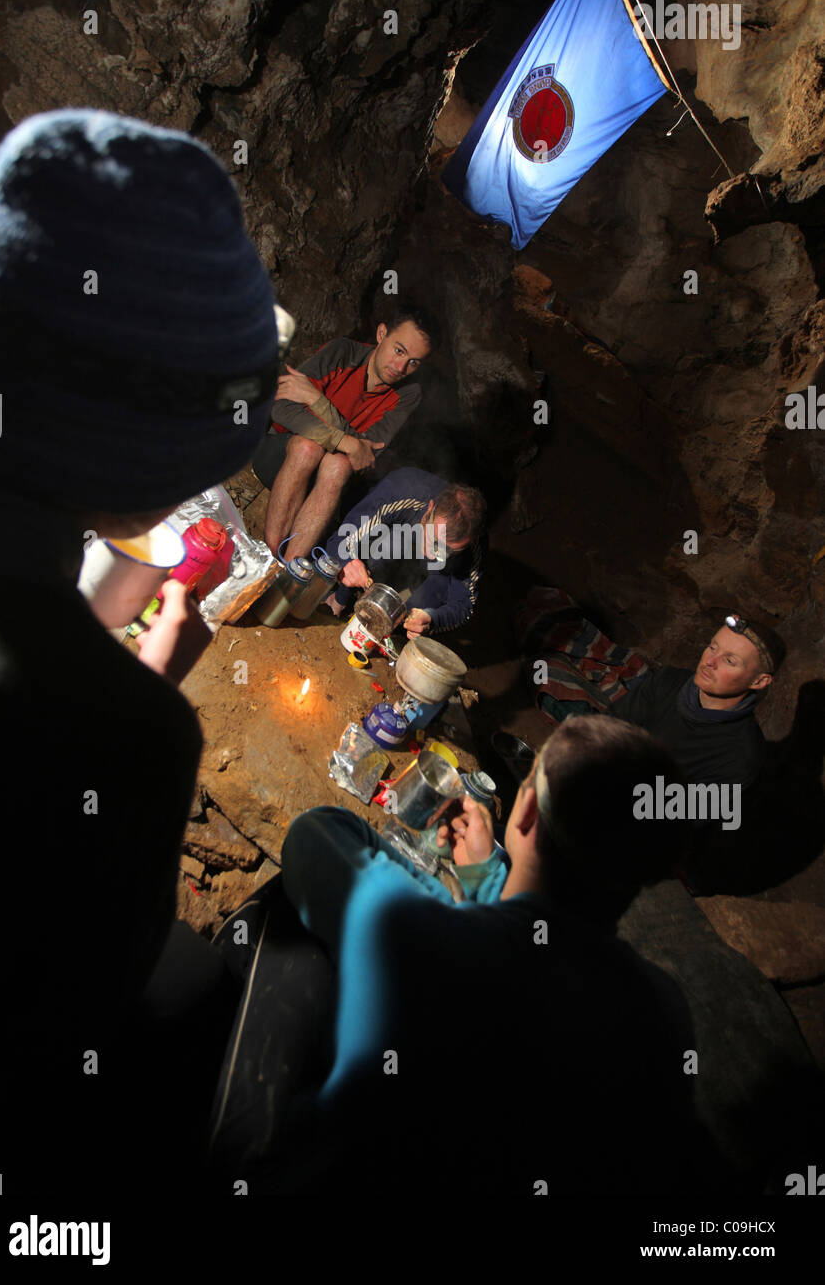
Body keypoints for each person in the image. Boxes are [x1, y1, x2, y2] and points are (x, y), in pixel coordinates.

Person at [0, 109, 279, 1197]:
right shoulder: (120, 738)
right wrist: (128, 701)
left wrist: (75, 641)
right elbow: (53, 1023)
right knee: (198, 996)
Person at [275, 715, 707, 1194]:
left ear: (524, 817)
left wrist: (471, 893)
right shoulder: (666, 1011)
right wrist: (488, 878)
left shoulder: (408, 933)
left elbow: (314, 835)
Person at [254, 303, 436, 557]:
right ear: (381, 334)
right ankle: (272, 552)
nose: (400, 367)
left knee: (338, 464)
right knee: (308, 447)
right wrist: (347, 441)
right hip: (279, 458)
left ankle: (288, 567)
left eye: (413, 362)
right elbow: (282, 408)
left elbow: (368, 454)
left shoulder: (408, 394)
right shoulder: (342, 352)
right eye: (398, 350)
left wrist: (318, 402)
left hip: (326, 483)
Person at [609, 613, 783, 791]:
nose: (710, 661)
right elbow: (607, 729)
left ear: (759, 681)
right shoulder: (666, 681)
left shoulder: (739, 757)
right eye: (712, 647)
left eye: (729, 660)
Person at [324, 466, 486, 637]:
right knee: (377, 547)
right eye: (434, 540)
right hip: (391, 538)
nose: (433, 554)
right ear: (430, 508)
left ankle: (392, 632)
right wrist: (345, 568)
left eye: (449, 550)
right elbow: (343, 539)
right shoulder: (403, 489)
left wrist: (432, 619)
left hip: (428, 580)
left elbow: (463, 605)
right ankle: (339, 598)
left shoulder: (475, 543)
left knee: (431, 593)